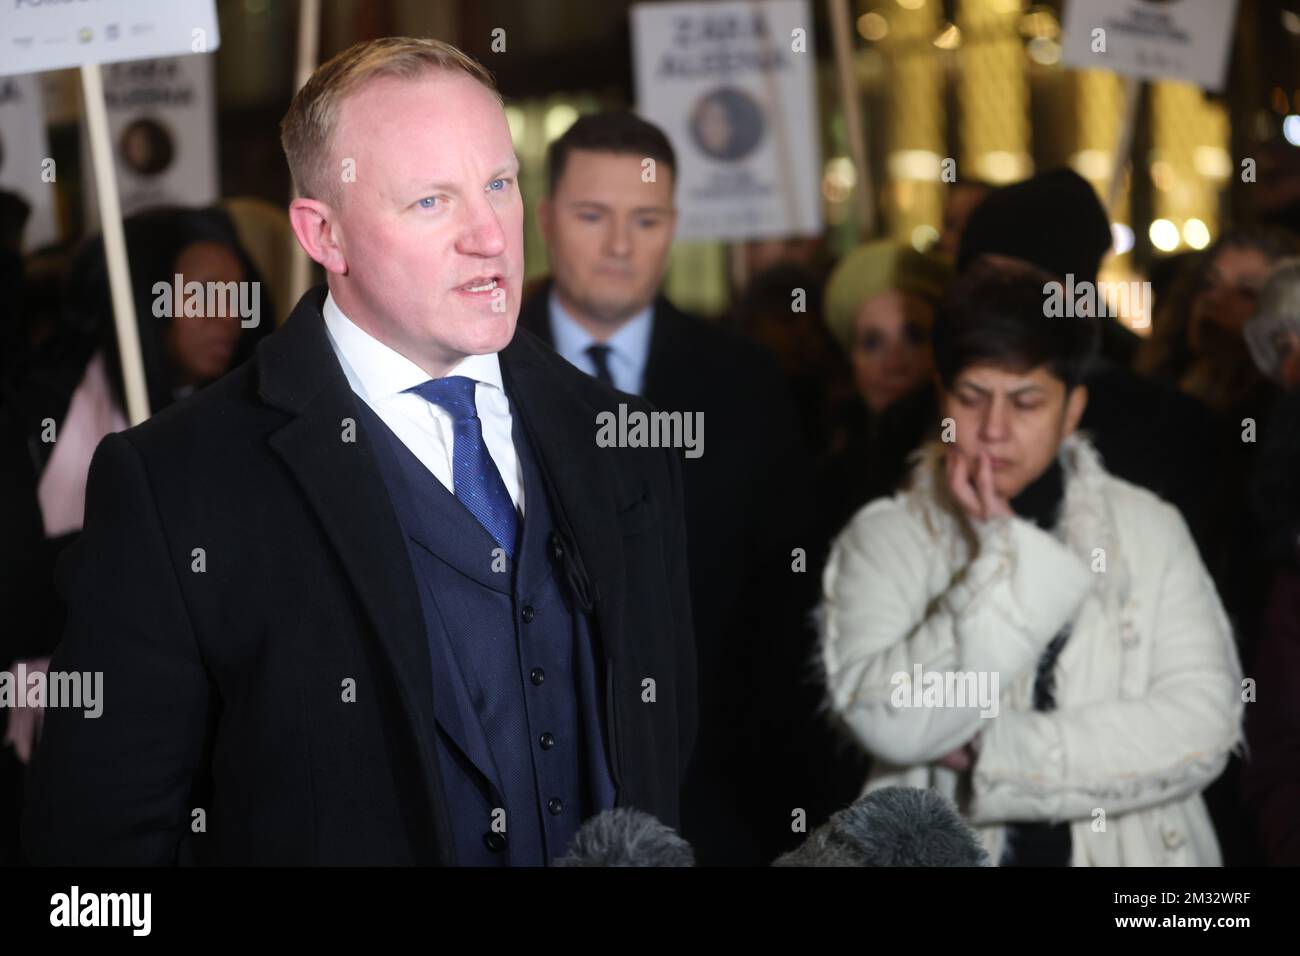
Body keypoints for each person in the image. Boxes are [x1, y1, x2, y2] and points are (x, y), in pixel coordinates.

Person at [23, 37, 696, 866]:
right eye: (431, 202)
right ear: (325, 234)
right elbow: (99, 844)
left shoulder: (625, 443)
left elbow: (667, 757)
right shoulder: (177, 484)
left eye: (498, 184)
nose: (489, 236)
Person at [819, 257, 1244, 866]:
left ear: (1072, 411)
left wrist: (997, 753)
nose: (994, 429)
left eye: (1026, 402)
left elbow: (1202, 725)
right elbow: (889, 718)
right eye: (972, 397)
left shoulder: (1148, 527)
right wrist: (1000, 557)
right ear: (942, 395)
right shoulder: (885, 538)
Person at [518, 110, 809, 863]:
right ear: (546, 219)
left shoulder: (746, 384)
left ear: (674, 226)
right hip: (521, 794)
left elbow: (779, 609)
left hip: (710, 797)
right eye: (593, 216)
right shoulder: (475, 365)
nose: (620, 245)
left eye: (645, 219)